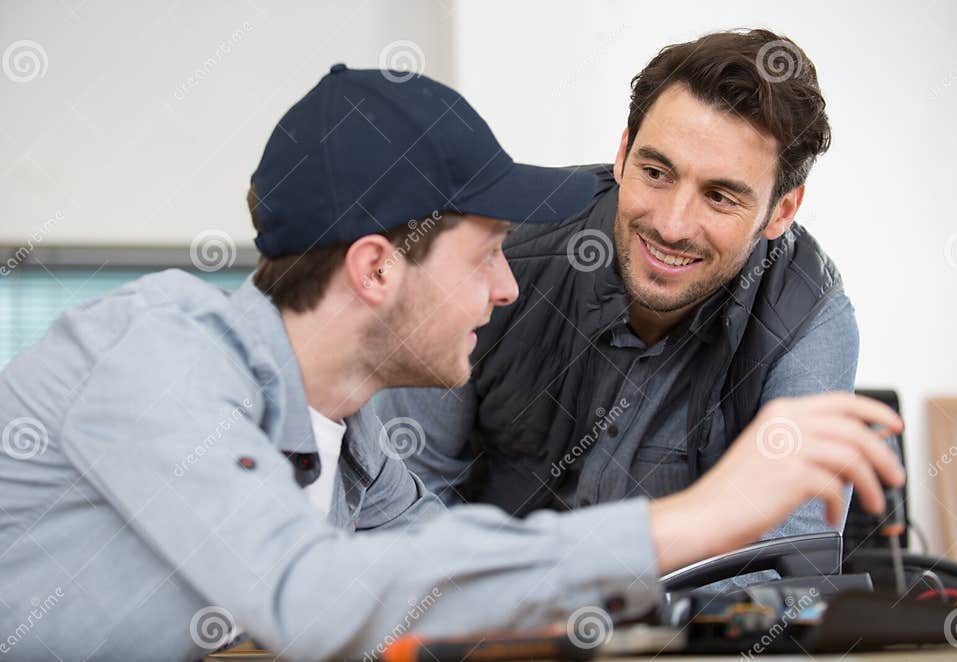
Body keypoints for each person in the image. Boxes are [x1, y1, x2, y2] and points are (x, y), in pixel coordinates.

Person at [0, 63, 904, 661]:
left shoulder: (358, 456)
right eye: (486, 255)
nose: (510, 289)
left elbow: (446, 583)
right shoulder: (157, 350)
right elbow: (306, 597)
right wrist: (701, 516)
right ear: (377, 268)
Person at [376, 30, 859, 540]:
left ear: (781, 210)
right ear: (623, 153)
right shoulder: (495, 254)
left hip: (685, 621)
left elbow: (791, 559)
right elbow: (400, 508)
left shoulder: (808, 319)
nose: (672, 225)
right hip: (481, 609)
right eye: (656, 172)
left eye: (720, 197)